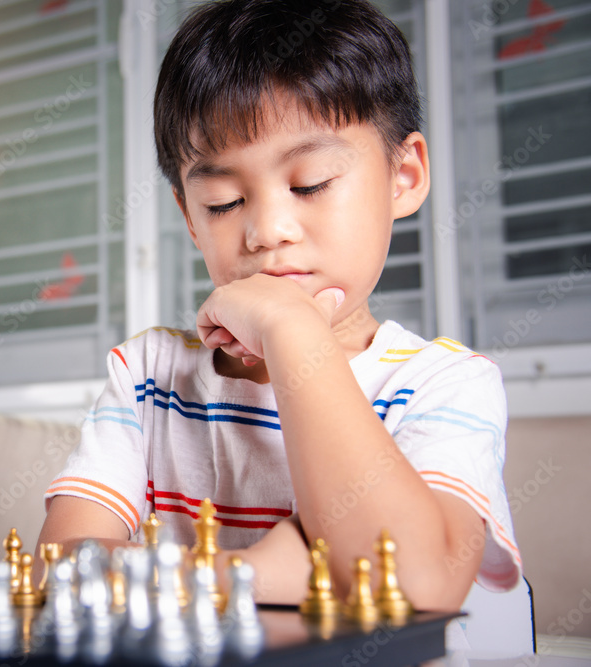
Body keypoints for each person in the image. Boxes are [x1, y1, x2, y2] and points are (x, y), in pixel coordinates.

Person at [37, 0, 520, 611]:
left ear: (404, 176)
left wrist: (293, 329)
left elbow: (415, 581)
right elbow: (62, 565)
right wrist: (264, 570)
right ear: (190, 218)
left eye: (310, 183)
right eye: (222, 202)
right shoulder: (147, 376)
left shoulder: (446, 384)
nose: (267, 230)